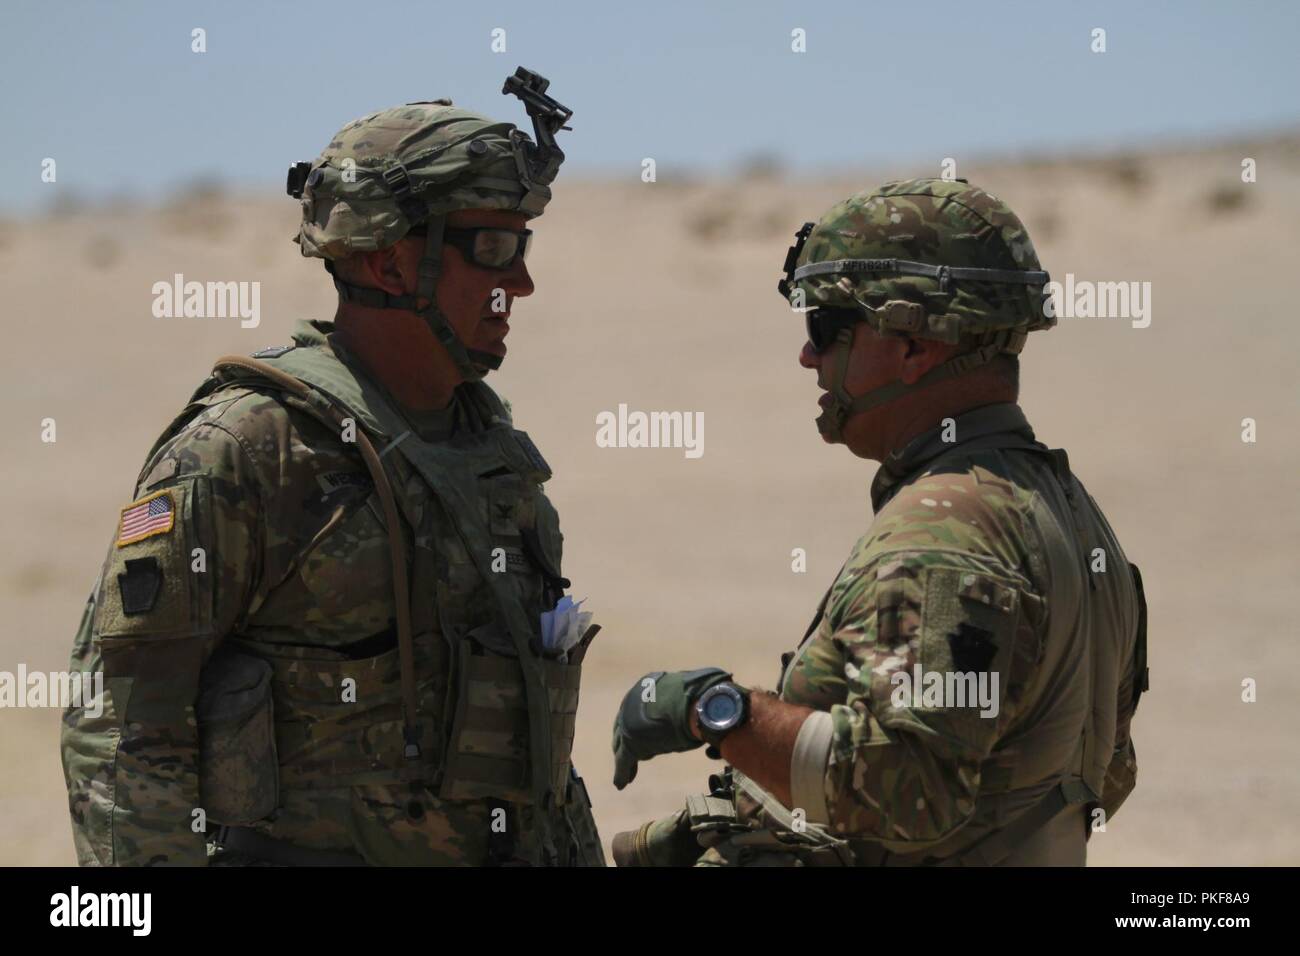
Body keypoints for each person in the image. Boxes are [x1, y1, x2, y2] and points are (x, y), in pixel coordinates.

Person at [60, 67, 605, 867]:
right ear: (389, 264)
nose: (518, 281)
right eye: (492, 248)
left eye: (521, 246)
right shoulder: (249, 450)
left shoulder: (486, 447)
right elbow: (123, 727)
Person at [610, 178, 1148, 866]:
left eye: (826, 329)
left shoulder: (947, 531)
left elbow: (909, 792)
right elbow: (1098, 769)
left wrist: (715, 711)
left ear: (913, 345)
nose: (809, 357)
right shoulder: (1061, 506)